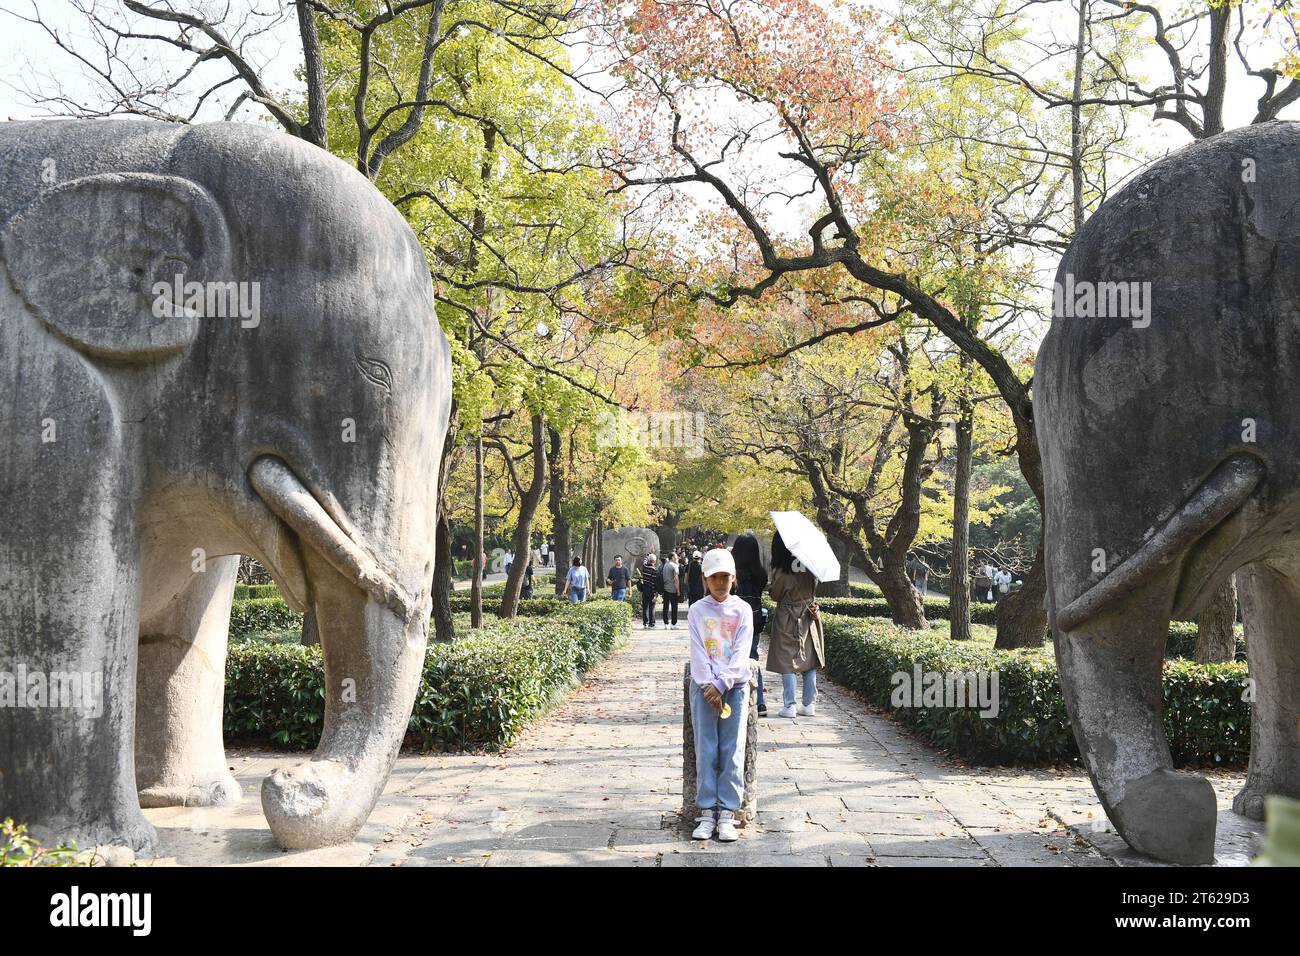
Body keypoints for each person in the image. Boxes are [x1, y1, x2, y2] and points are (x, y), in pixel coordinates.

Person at [687, 548, 754, 842]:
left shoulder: (743, 610)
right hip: (704, 688)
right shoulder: (697, 611)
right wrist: (708, 685)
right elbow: (698, 650)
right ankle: (705, 812)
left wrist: (723, 683)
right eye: (714, 577)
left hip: (734, 687)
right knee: (706, 748)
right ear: (705, 579)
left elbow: (742, 652)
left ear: (734, 578)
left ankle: (727, 812)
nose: (720, 582)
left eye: (725, 576)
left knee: (732, 749)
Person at [766, 529, 824, 719]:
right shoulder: (810, 566)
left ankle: (789, 705)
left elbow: (775, 595)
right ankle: (809, 704)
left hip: (787, 616)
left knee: (787, 660)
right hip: (808, 614)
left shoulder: (783, 570)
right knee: (808, 660)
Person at [731, 533, 769, 717]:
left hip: (733, 622)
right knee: (753, 657)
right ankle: (759, 702)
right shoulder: (760, 575)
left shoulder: (733, 575)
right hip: (754, 620)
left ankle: (734, 697)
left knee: (732, 657)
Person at [637, 553, 659, 628]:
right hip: (651, 589)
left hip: (645, 588)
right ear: (655, 561)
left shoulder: (644, 567)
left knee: (645, 606)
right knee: (652, 606)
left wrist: (647, 555)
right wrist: (655, 592)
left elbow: (644, 561)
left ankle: (645, 622)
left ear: (649, 560)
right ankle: (651, 623)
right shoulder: (655, 570)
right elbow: (654, 582)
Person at [660, 550, 681, 628]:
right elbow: (676, 579)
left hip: (665, 588)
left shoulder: (665, 565)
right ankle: (673, 624)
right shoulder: (674, 566)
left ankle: (666, 623)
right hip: (672, 589)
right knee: (674, 607)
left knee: (665, 606)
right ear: (672, 557)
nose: (677, 558)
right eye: (676, 556)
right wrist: (678, 590)